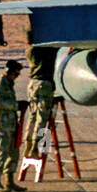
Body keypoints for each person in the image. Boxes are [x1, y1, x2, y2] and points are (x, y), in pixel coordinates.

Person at [0, 59, 27, 192]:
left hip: (10, 124)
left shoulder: (9, 84)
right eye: (15, 74)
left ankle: (9, 181)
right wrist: (16, 105)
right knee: (1, 153)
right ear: (8, 72)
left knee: (13, 154)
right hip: (1, 125)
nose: (16, 77)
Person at [22, 30, 60, 160]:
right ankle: (36, 148)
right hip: (45, 84)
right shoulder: (48, 49)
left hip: (33, 84)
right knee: (42, 118)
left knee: (32, 116)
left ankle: (27, 146)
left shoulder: (30, 51)